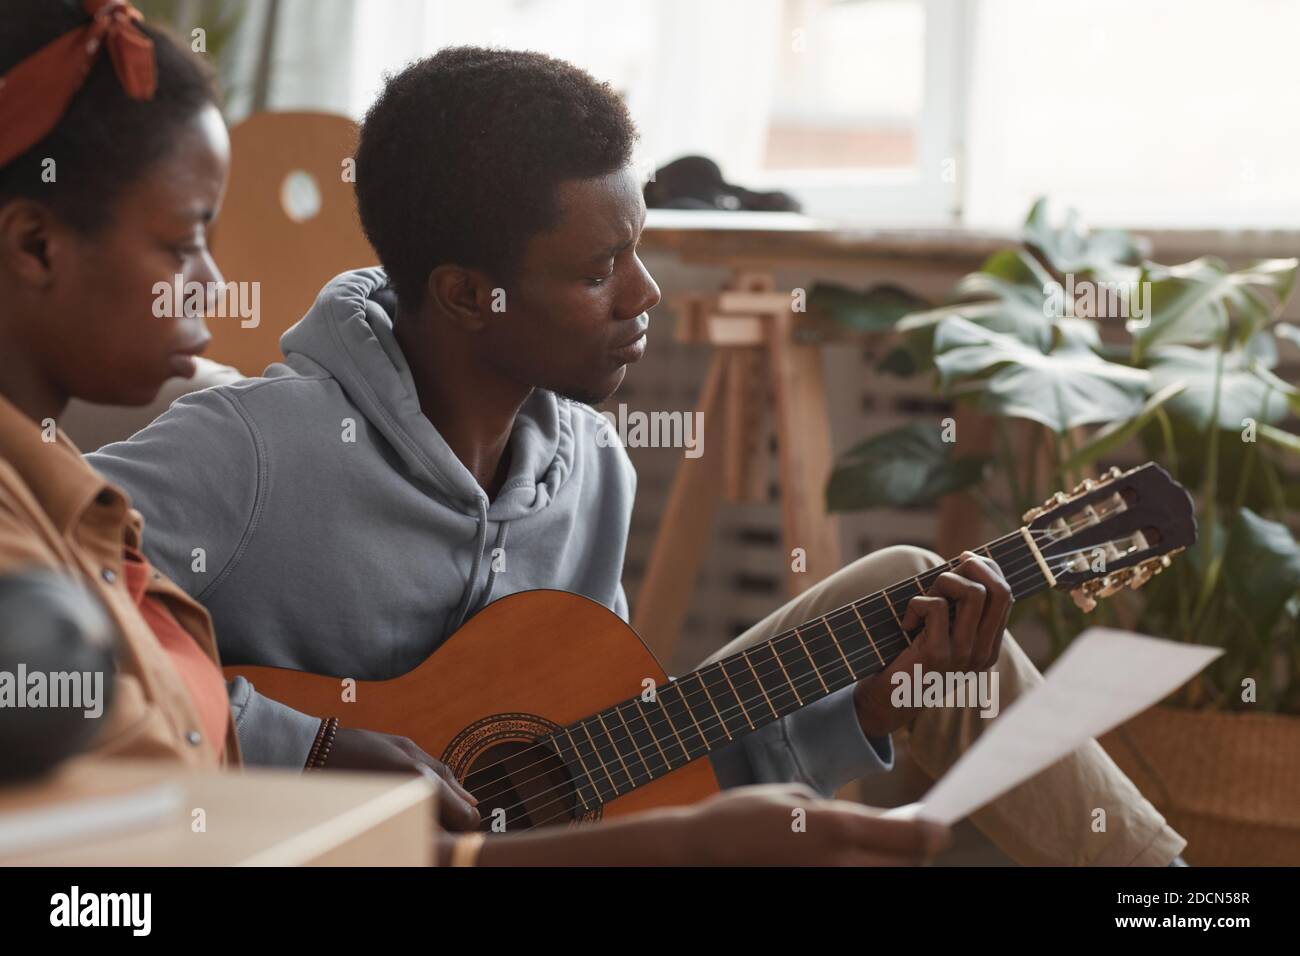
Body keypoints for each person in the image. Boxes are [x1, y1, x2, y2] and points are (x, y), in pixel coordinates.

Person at [84, 43, 1186, 865]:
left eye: (640, 249)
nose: (645, 296)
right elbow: (43, 620)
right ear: (472, 293)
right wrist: (307, 745)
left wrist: (869, 706)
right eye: (601, 266)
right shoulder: (255, 449)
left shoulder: (592, 463)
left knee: (912, 592)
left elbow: (613, 775)